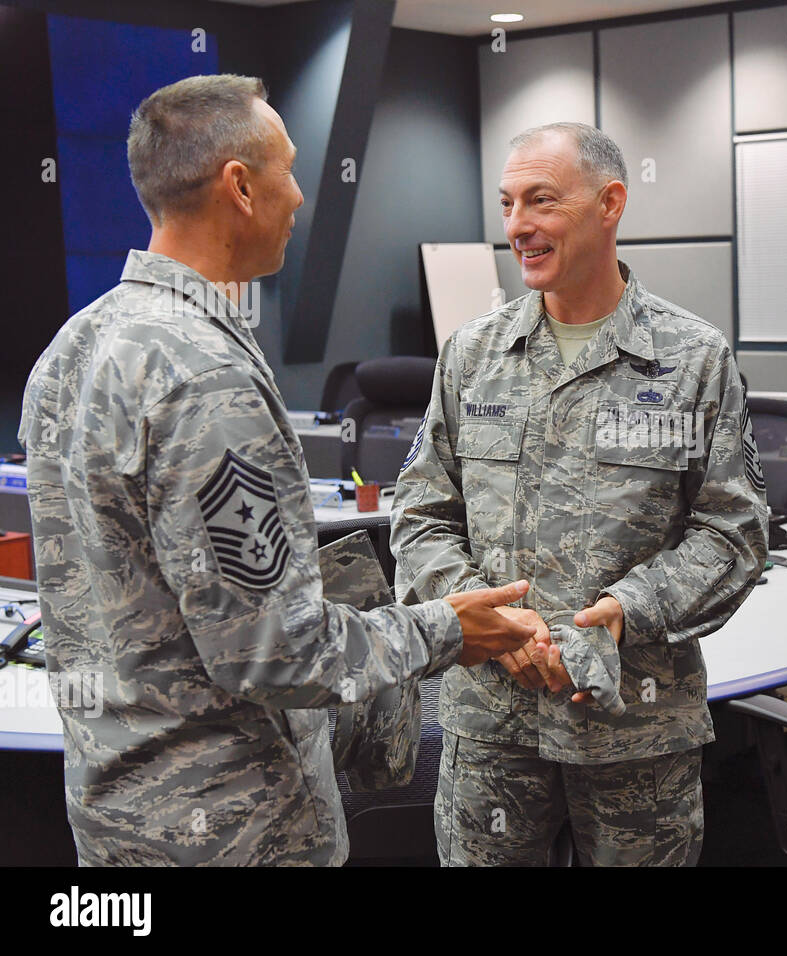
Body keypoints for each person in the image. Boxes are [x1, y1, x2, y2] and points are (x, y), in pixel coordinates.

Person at [18, 75, 535, 866]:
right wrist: (446, 628)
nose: (299, 196)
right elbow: (276, 651)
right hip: (236, 830)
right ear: (239, 186)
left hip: (117, 822)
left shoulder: (72, 349)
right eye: (289, 171)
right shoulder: (205, 373)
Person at [389, 122, 768, 866]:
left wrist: (630, 612)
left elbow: (734, 530)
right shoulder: (472, 356)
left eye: (541, 201)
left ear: (610, 204)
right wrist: (486, 617)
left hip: (635, 728)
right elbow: (420, 515)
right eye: (507, 205)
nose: (518, 227)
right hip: (491, 725)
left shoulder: (691, 360)